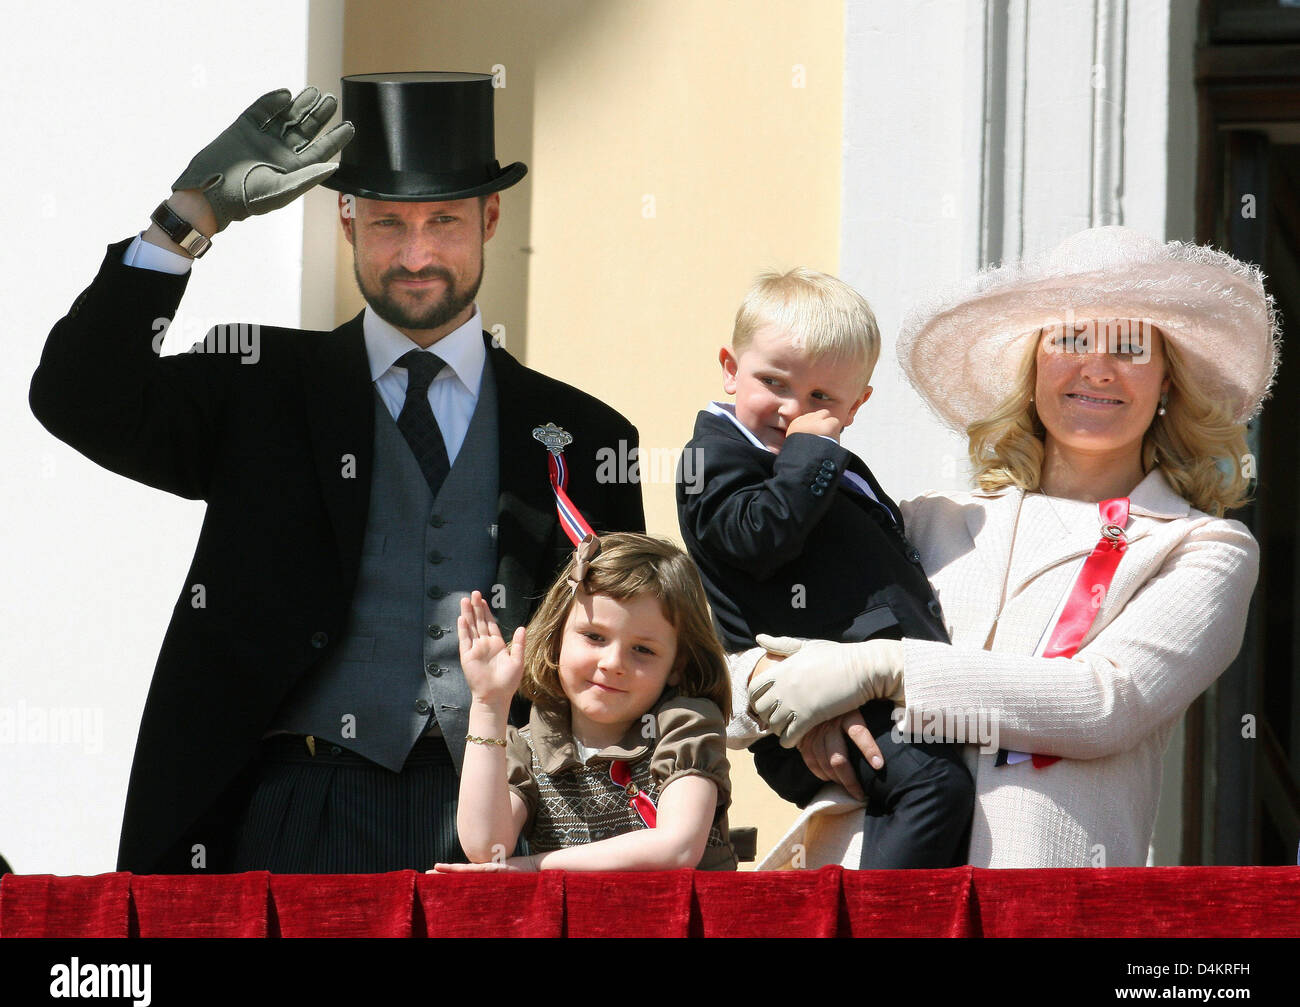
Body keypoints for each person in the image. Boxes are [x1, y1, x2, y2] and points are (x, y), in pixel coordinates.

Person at [28, 74, 644, 874]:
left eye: (444, 221)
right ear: (347, 220)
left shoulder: (589, 435)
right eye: (387, 222)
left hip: (508, 824)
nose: (416, 254)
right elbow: (80, 397)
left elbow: (637, 649)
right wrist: (188, 218)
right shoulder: (258, 381)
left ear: (490, 219)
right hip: (296, 812)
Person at [741, 226, 1274, 869]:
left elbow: (1107, 703)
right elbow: (734, 648)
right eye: (1070, 339)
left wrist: (883, 668)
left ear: (1167, 382)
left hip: (1046, 899)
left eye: (1130, 348)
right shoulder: (925, 521)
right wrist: (783, 687)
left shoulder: (1204, 548)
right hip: (856, 890)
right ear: (1033, 367)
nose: (1097, 367)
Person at [676, 269, 972, 868]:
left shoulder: (816, 461)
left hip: (872, 692)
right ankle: (886, 925)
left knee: (937, 784)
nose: (792, 411)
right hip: (804, 709)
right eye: (773, 382)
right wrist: (813, 455)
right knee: (933, 787)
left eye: (821, 399)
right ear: (730, 368)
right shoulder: (713, 457)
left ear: (857, 404)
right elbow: (755, 537)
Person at [433, 533, 737, 872]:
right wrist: (488, 704)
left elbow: (677, 848)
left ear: (677, 667)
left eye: (643, 650)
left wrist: (535, 866)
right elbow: (485, 847)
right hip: (575, 925)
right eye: (594, 637)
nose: (612, 663)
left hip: (681, 923)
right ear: (557, 636)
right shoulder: (532, 744)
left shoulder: (686, 724)